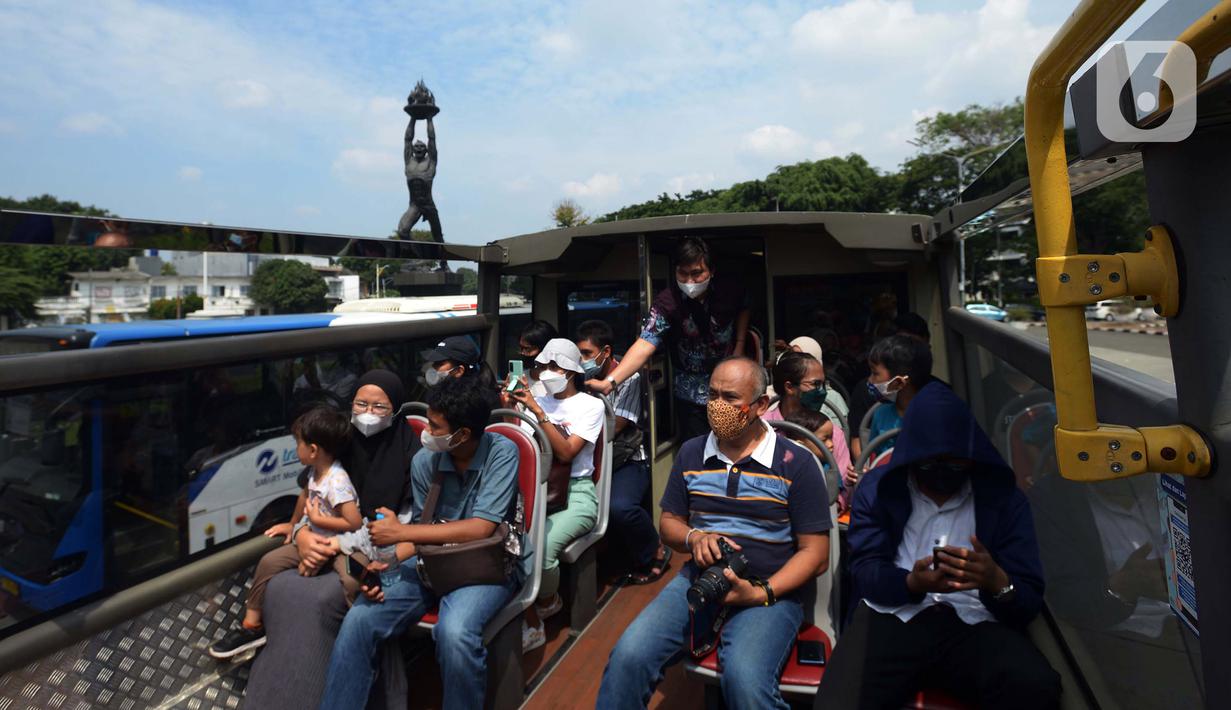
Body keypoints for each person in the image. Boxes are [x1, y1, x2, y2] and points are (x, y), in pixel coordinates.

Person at [596, 357, 830, 710]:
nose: (718, 406)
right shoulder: (692, 452)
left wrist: (760, 592)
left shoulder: (795, 463)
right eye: (712, 395)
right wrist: (695, 538)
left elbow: (816, 554)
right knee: (629, 658)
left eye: (731, 397)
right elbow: (670, 522)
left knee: (746, 681)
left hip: (770, 591)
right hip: (702, 580)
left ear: (761, 405)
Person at [817, 382, 1059, 709]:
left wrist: (996, 581)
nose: (943, 473)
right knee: (841, 700)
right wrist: (909, 583)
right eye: (930, 463)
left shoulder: (1002, 500)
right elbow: (865, 571)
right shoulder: (879, 489)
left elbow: (1027, 598)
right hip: (892, 614)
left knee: (1035, 686)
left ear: (971, 457)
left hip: (973, 621)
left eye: (955, 464)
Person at [319, 377, 528, 709]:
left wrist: (400, 534)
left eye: (435, 425)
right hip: (430, 563)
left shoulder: (502, 453)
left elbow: (481, 528)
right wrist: (386, 563)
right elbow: (422, 531)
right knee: (360, 620)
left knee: (455, 633)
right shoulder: (424, 462)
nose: (426, 431)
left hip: (485, 565)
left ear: (463, 434)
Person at [240, 369, 420, 709]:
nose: (368, 413)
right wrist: (302, 534)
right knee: (279, 587)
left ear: (396, 411)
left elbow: (412, 533)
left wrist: (340, 546)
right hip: (325, 543)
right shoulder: (340, 449)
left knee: (326, 600)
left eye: (379, 406)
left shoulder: (412, 458)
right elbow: (312, 501)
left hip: (377, 552)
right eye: (360, 403)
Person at [209, 407, 358, 659]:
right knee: (268, 562)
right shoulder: (314, 473)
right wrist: (293, 524)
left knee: (352, 580)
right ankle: (252, 626)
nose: (295, 448)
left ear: (313, 450)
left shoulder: (337, 481)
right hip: (312, 536)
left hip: (338, 544)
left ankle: (356, 632)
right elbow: (304, 497)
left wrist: (320, 519)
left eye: (297, 443)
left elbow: (353, 522)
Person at [590, 236, 750, 441]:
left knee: (733, 443)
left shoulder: (730, 291)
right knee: (698, 448)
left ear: (711, 271)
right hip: (689, 391)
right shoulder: (667, 302)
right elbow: (646, 342)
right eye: (682, 274)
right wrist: (610, 383)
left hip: (729, 387)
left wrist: (739, 345)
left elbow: (745, 305)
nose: (689, 281)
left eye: (696, 274)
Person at [510, 338, 604, 651]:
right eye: (543, 366)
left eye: (555, 367)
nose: (547, 373)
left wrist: (536, 411)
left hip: (576, 494)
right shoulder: (534, 398)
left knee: (542, 547)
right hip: (534, 489)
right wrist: (513, 410)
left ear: (571, 371)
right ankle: (525, 614)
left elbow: (565, 453)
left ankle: (546, 602)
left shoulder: (591, 406)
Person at [576, 319, 672, 585]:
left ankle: (655, 551)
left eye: (586, 353)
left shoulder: (629, 378)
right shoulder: (578, 377)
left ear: (605, 352)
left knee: (619, 507)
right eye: (579, 354)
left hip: (627, 459)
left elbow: (615, 426)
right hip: (590, 457)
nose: (582, 360)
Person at [767, 351, 851, 483]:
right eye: (815, 384)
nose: (822, 391)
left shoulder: (833, 433)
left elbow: (842, 488)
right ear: (789, 387)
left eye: (823, 384)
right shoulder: (763, 428)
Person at [859, 334, 932, 466]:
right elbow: (874, 458)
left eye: (875, 373)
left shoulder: (932, 417)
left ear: (899, 383)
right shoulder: (881, 414)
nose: (870, 380)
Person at [419, 334, 494, 388]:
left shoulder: (472, 402)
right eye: (434, 363)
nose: (433, 367)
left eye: (439, 363)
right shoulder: (442, 395)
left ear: (459, 371)